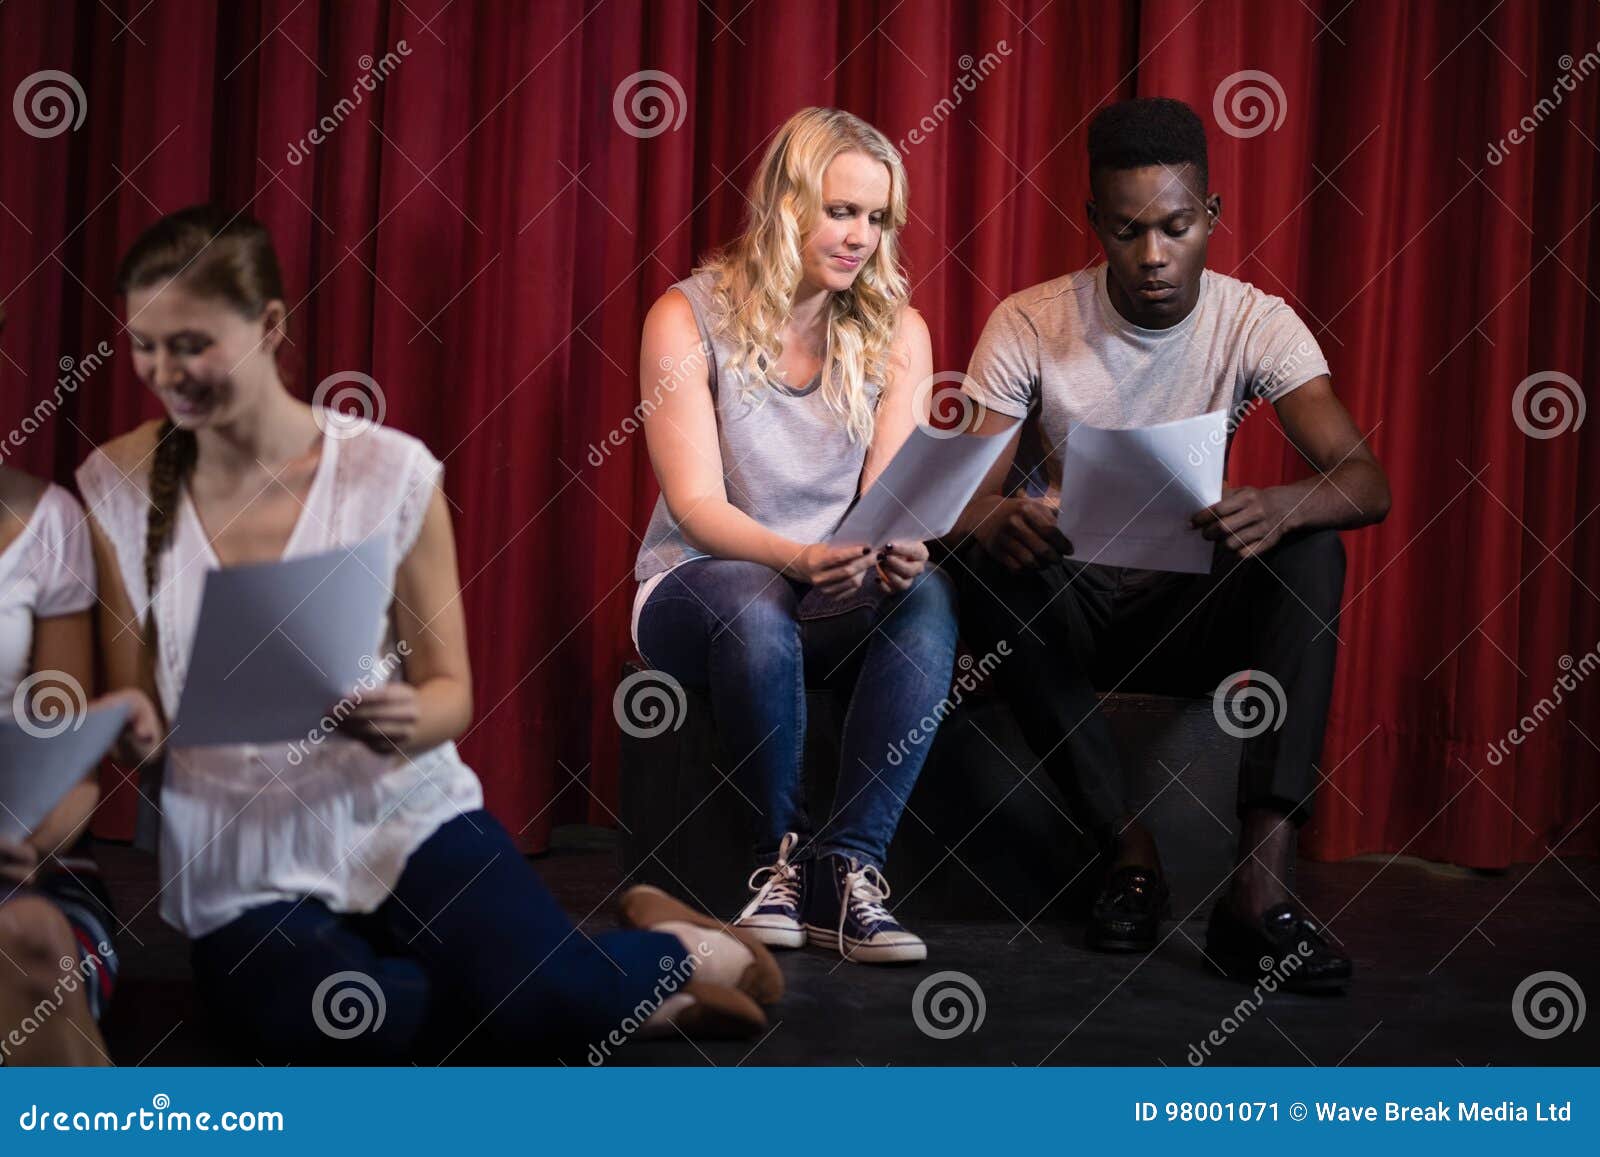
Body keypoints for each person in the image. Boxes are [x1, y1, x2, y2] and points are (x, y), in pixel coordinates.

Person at [77, 206, 780, 1063]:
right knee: (323, 1020)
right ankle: (604, 997)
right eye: (144, 346)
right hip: (243, 850)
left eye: (191, 345)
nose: (164, 373)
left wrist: (404, 715)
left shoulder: (389, 469)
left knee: (526, 996)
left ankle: (675, 953)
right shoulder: (115, 481)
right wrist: (138, 729)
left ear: (268, 326)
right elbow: (139, 717)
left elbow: (451, 695)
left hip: (394, 806)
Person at [950, 98, 1390, 990]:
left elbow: (1365, 482)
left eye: (1176, 227)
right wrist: (996, 516)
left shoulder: (1255, 321)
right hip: (1069, 606)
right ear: (1095, 223)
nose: (1153, 255)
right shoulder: (1031, 321)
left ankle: (1257, 893)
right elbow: (959, 499)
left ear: (1212, 214)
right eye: (1128, 231)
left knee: (1312, 549)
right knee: (981, 559)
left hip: (1186, 610)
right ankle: (1128, 849)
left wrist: (1283, 505)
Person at [633, 107, 959, 964]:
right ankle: (775, 865)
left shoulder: (897, 330)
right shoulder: (684, 316)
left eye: (876, 218)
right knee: (753, 598)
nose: (860, 238)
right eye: (840, 211)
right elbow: (696, 505)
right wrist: (800, 558)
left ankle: (848, 869)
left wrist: (900, 547)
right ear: (785, 204)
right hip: (699, 582)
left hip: (827, 590)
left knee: (928, 594)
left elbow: (887, 499)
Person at [0, 302, 161, 1065]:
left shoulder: (49, 522)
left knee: (29, 937)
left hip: (29, 865)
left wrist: (26, 845)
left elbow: (70, 767)